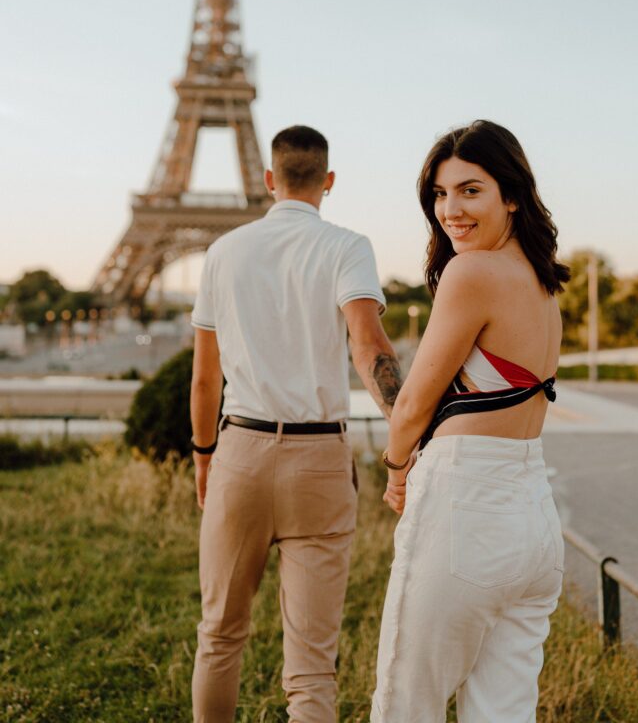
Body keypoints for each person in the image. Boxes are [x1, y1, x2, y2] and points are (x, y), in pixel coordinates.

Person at [190, 124, 402, 723]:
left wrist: (205, 456)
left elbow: (205, 381)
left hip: (241, 451)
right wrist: (410, 437)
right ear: (328, 181)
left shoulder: (223, 252)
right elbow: (370, 346)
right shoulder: (347, 245)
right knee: (312, 665)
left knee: (220, 636)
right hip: (319, 460)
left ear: (267, 180)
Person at [372, 120, 569, 723]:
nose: (449, 210)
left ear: (511, 193)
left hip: (466, 507)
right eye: (439, 193)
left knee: (408, 706)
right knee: (503, 712)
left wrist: (397, 470)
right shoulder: (542, 282)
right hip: (533, 516)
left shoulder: (472, 273)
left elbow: (412, 406)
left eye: (469, 190)